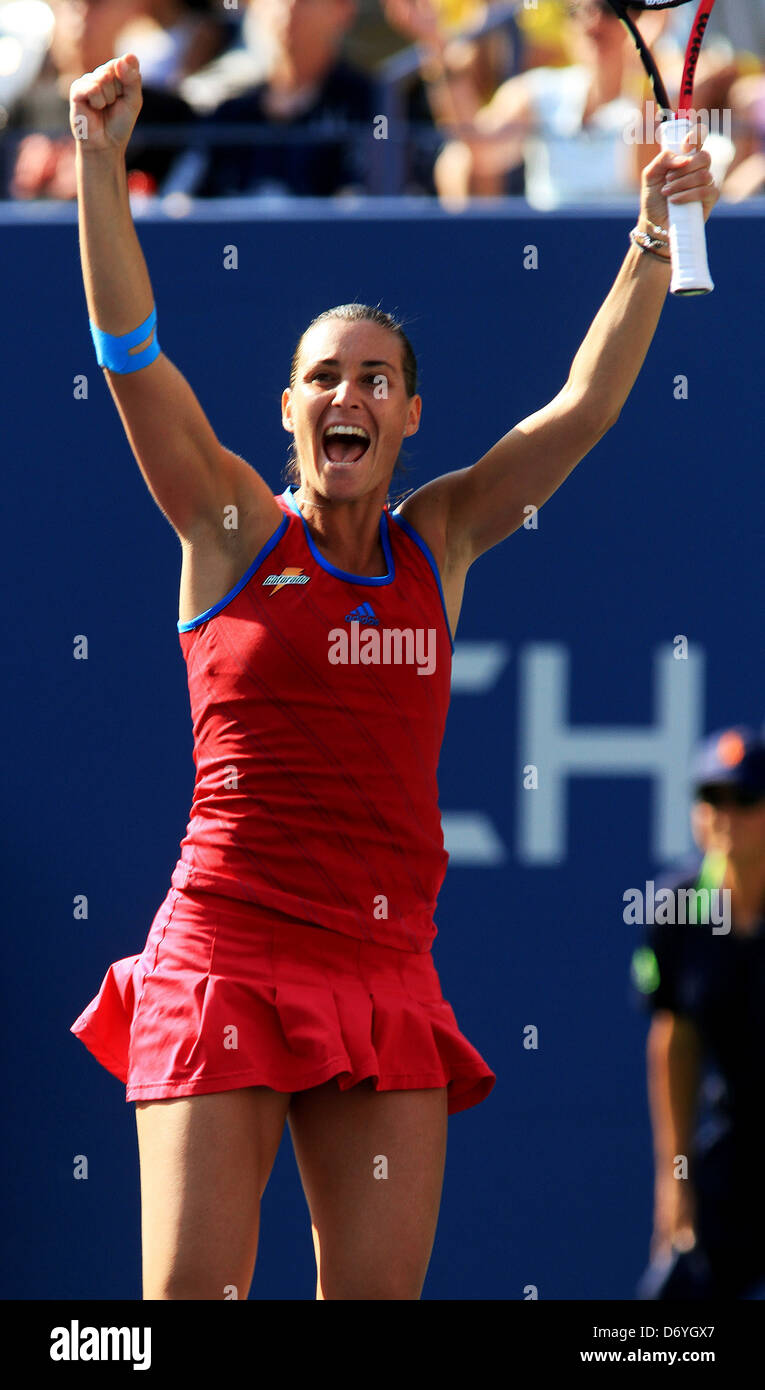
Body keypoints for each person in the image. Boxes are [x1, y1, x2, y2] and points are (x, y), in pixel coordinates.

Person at [67, 48, 715, 1300]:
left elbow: (578, 412)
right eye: (324, 376)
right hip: (226, 946)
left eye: (377, 377)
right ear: (289, 413)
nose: (348, 393)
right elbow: (130, 351)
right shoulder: (229, 530)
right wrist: (101, 163)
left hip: (383, 965)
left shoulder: (445, 540)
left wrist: (648, 239)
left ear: (411, 416)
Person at [631, 728, 765, 1299]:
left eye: (745, 799)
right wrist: (675, 1177)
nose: (725, 814)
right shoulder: (678, 908)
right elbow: (675, 1039)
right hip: (737, 1146)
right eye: (711, 798)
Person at [432, 0, 669, 207]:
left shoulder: (661, 98)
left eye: (609, 8)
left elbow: (649, 186)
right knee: (454, 159)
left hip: (624, 251)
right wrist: (437, 47)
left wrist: (644, 70)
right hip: (549, 248)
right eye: (577, 10)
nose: (593, 20)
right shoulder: (537, 90)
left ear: (642, 21)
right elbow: (481, 150)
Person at [4, 0, 196, 199]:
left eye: (95, 4)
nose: (82, 17)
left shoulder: (166, 113)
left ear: (128, 10)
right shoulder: (19, 110)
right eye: (72, 4)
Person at [187, 0, 376, 199]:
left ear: (344, 9)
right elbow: (179, 208)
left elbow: (367, 208)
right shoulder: (226, 113)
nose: (287, 9)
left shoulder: (376, 108)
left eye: (305, 2)